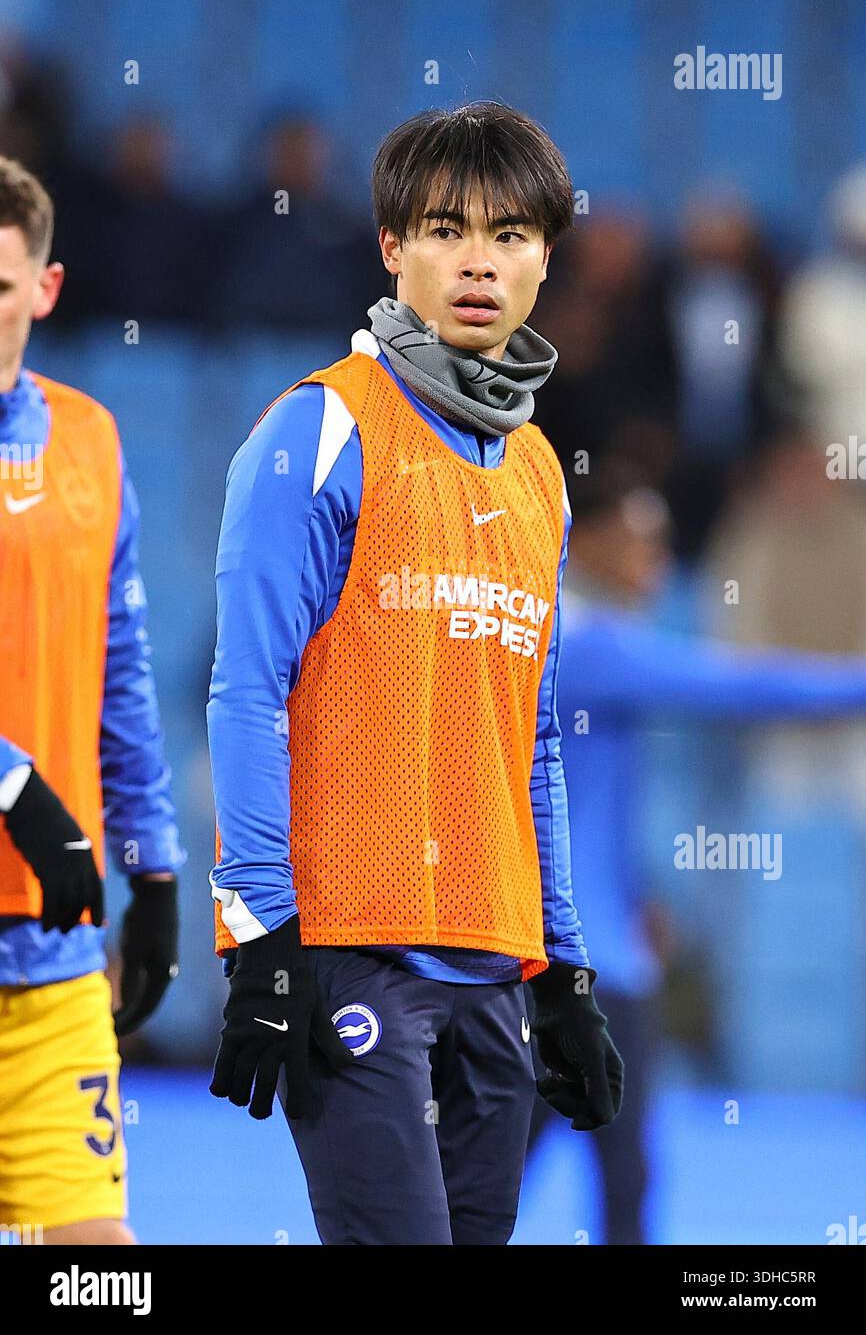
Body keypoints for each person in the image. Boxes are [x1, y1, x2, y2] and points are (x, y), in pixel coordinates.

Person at [207, 101, 623, 1246]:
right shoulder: (320, 429)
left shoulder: (540, 471)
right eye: (444, 229)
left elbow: (528, 743)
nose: (477, 260)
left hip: (493, 959)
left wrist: (566, 972)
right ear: (391, 248)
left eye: (509, 234)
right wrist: (260, 938)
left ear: (547, 255)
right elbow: (245, 690)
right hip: (352, 951)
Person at [545, 457, 866, 1243]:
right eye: (640, 542)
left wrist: (637, 891)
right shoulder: (584, 642)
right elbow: (738, 687)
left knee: (582, 1169)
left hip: (591, 947)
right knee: (580, 1172)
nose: (658, 563)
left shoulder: (565, 634)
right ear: (584, 543)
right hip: (583, 965)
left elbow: (583, 801)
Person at [0, 155, 185, 1245]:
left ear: (44, 289)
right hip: (39, 860)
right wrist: (16, 782)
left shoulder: (90, 439)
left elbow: (121, 667)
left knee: (98, 1275)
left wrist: (156, 870)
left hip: (54, 955)